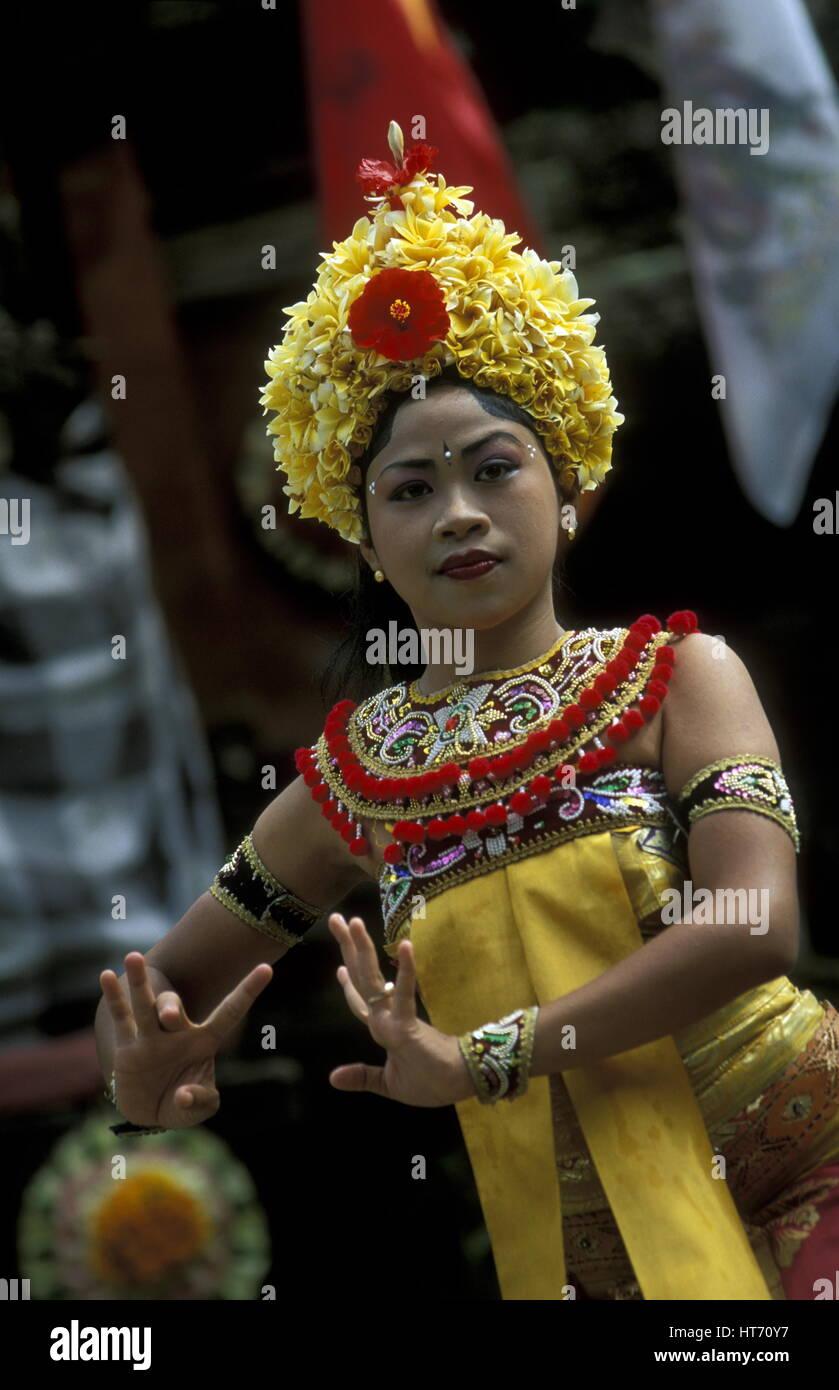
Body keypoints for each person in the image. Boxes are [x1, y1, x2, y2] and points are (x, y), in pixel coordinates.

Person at [95, 121, 839, 1301]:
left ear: (569, 488)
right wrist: (138, 1080)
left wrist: (487, 1055)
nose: (456, 513)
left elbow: (751, 924)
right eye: (408, 489)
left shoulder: (675, 680)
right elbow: (162, 987)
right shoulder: (359, 781)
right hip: (582, 1250)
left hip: (801, 1158)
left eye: (494, 467)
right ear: (365, 540)